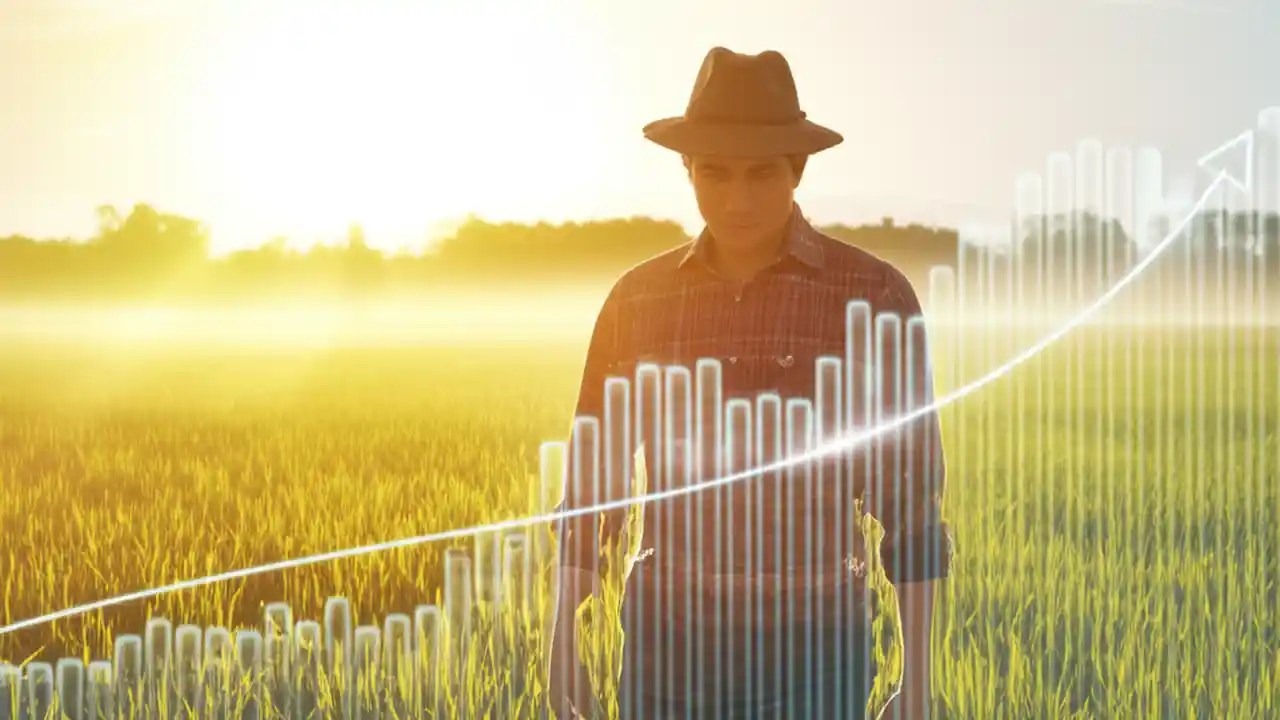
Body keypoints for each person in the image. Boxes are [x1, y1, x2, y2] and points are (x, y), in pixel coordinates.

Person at [547, 47, 954, 719]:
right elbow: (592, 487)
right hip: (666, 653)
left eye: (762, 174)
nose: (737, 199)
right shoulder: (637, 302)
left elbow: (910, 494)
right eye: (715, 173)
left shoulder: (874, 295)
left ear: (797, 170)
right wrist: (564, 646)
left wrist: (919, 680)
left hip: (817, 653)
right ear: (686, 169)